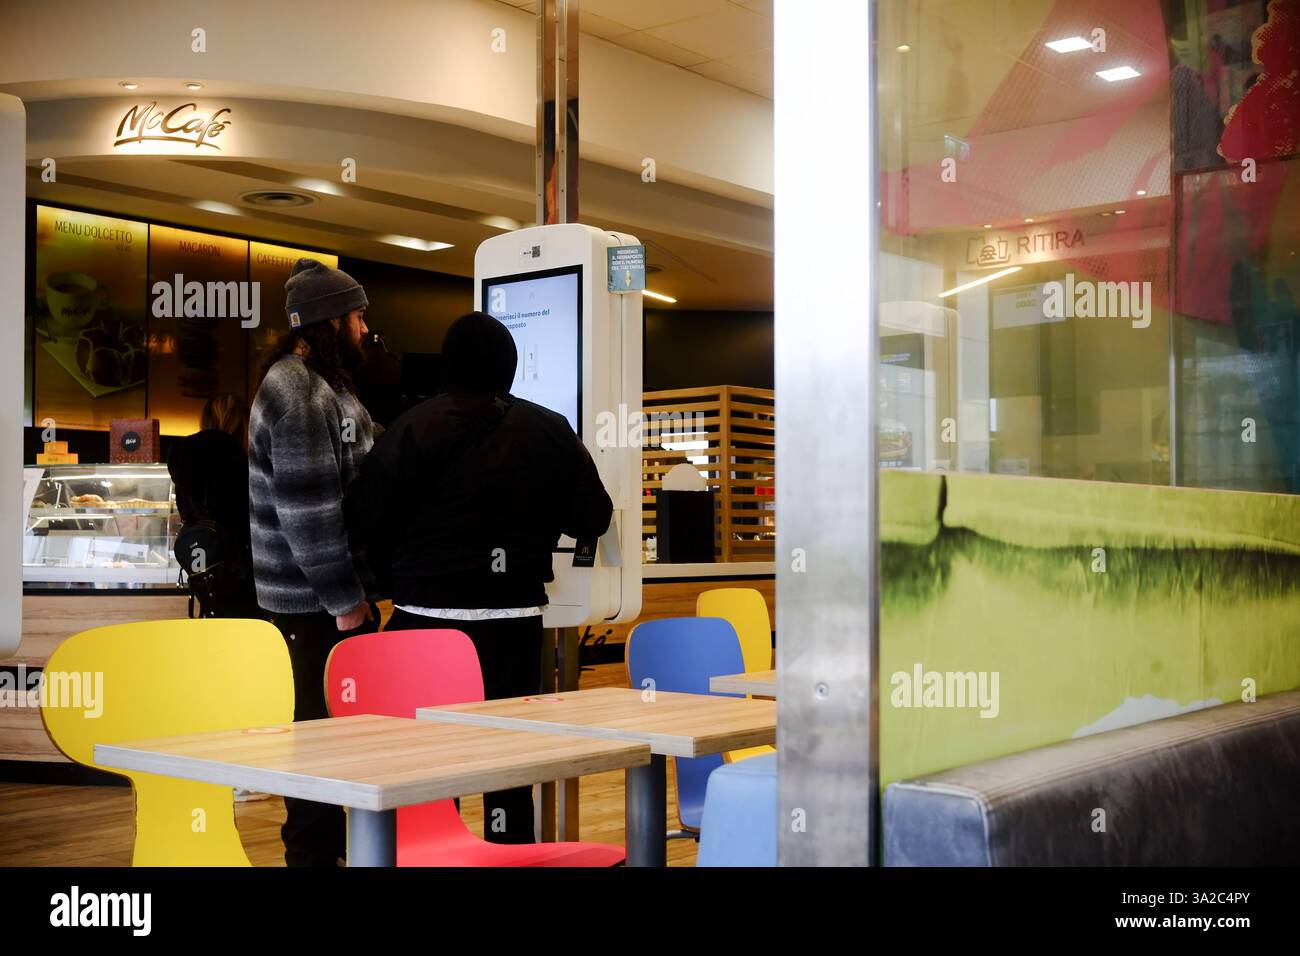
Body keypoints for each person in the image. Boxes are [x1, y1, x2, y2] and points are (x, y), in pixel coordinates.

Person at [347, 311, 613, 845]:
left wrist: (395, 574)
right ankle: (509, 855)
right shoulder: (549, 429)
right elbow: (593, 517)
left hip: (423, 624)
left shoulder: (408, 429)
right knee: (508, 768)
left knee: (426, 771)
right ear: (510, 367)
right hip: (512, 628)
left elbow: (363, 518)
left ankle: (430, 852)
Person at [249, 258, 379, 867]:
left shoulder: (321, 384)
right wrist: (346, 602)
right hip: (314, 611)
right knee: (317, 756)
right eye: (357, 316)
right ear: (328, 322)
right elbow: (308, 512)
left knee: (328, 750)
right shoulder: (298, 390)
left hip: (318, 606)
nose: (363, 329)